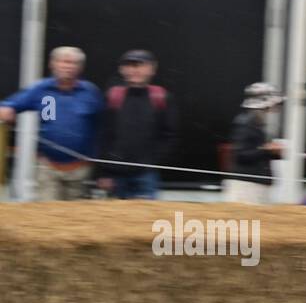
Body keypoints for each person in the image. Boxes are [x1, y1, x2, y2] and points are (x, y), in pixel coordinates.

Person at [0, 46, 103, 200]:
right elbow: (9, 105)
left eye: (73, 63)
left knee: (75, 218)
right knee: (46, 213)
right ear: (52, 64)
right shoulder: (41, 89)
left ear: (80, 67)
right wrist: (7, 109)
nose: (67, 66)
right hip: (47, 169)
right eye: (63, 62)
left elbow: (101, 126)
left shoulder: (91, 92)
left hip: (80, 171)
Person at [96, 50, 177, 199]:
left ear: (152, 69)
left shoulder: (161, 97)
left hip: (146, 175)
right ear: (122, 69)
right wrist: (104, 173)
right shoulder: (113, 96)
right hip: (115, 176)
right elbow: (104, 135)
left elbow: (169, 135)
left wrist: (152, 161)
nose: (135, 70)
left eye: (140, 65)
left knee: (146, 219)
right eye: (130, 65)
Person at [230, 82, 283, 178]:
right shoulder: (246, 122)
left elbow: (257, 152)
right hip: (247, 181)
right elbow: (241, 154)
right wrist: (267, 150)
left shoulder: (257, 122)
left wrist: (275, 152)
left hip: (256, 180)